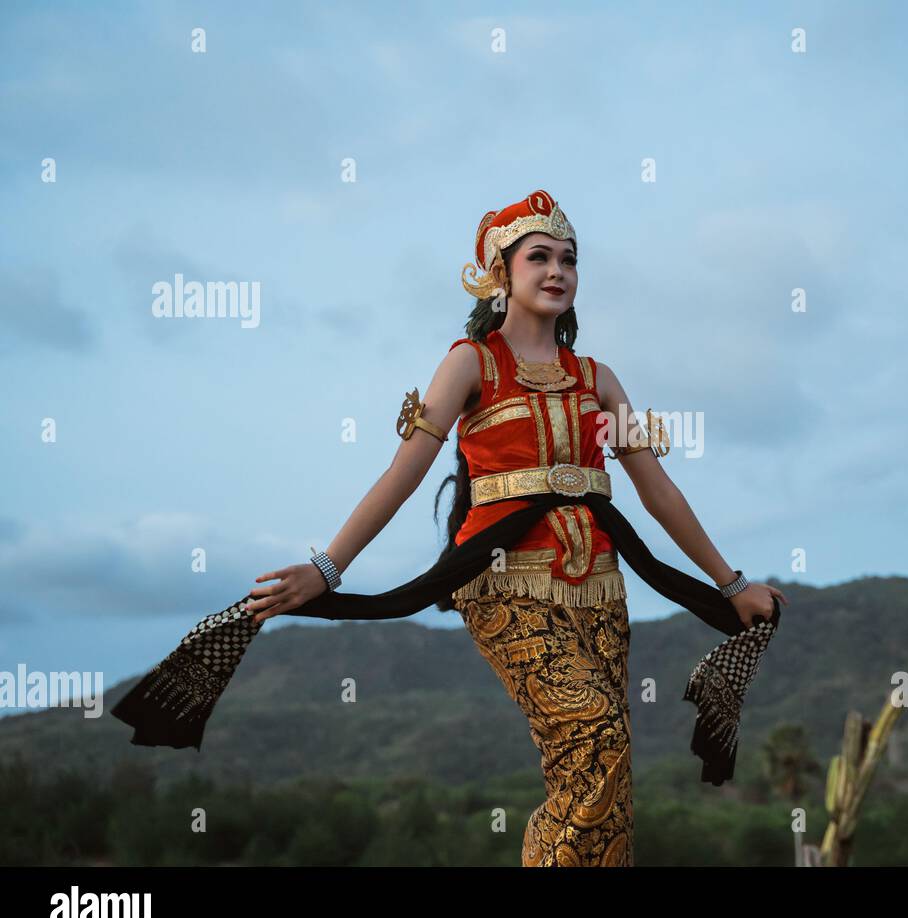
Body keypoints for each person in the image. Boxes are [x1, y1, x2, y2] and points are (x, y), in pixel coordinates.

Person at [111, 188, 789, 867]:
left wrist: (730, 585)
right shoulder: (472, 364)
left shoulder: (599, 379)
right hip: (503, 588)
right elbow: (402, 474)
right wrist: (326, 570)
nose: (558, 271)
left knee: (601, 775)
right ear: (501, 275)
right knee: (595, 734)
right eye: (540, 257)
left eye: (569, 259)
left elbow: (658, 491)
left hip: (600, 594)